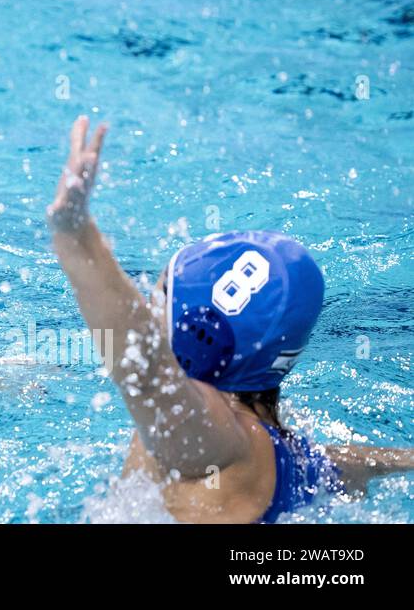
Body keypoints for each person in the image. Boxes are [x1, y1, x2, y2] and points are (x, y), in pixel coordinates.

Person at [47, 115, 414, 522]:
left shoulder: (215, 443)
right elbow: (346, 463)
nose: (149, 303)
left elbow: (145, 371)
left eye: (162, 294)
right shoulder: (285, 451)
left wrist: (75, 238)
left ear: (201, 337)